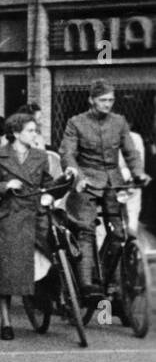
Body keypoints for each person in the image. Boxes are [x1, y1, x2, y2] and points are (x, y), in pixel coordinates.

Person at [59, 79, 149, 292]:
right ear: (91, 100)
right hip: (87, 182)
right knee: (86, 230)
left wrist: (138, 173)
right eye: (103, 100)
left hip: (112, 183)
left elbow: (131, 152)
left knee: (119, 234)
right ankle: (86, 283)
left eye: (111, 100)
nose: (108, 104)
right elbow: (68, 153)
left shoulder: (119, 122)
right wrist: (76, 175)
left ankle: (107, 277)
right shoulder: (76, 122)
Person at [0, 113, 55, 341]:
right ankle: (6, 320)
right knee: (7, 272)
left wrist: (56, 189)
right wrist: (4, 186)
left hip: (37, 216)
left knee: (47, 262)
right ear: (16, 133)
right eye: (30, 130)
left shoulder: (41, 156)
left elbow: (48, 183)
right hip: (11, 217)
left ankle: (45, 303)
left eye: (34, 130)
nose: (35, 135)